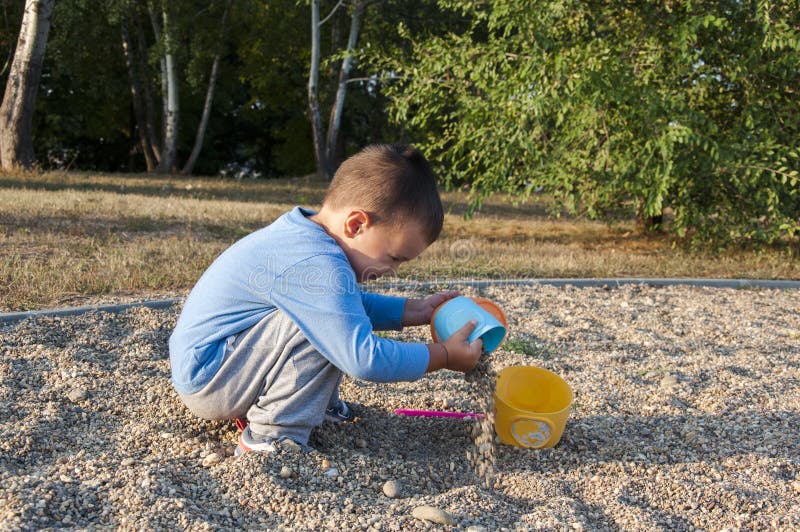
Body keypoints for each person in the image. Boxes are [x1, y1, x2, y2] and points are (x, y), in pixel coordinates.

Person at [168, 144, 484, 454]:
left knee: (331, 319)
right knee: (327, 329)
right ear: (356, 224)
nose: (392, 270)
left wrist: (414, 310)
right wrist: (442, 356)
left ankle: (312, 405)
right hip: (212, 379)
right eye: (394, 257)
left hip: (224, 363)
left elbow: (345, 306)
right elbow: (364, 359)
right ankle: (273, 434)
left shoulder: (307, 237)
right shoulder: (315, 261)